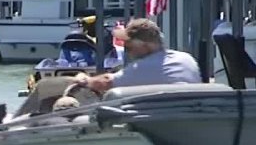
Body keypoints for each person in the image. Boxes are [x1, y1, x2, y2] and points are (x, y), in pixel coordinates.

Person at [72, 17, 201, 94]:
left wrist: (85, 80)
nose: (126, 47)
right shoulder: (187, 59)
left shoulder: (145, 67)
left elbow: (105, 82)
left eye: (129, 43)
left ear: (145, 45)